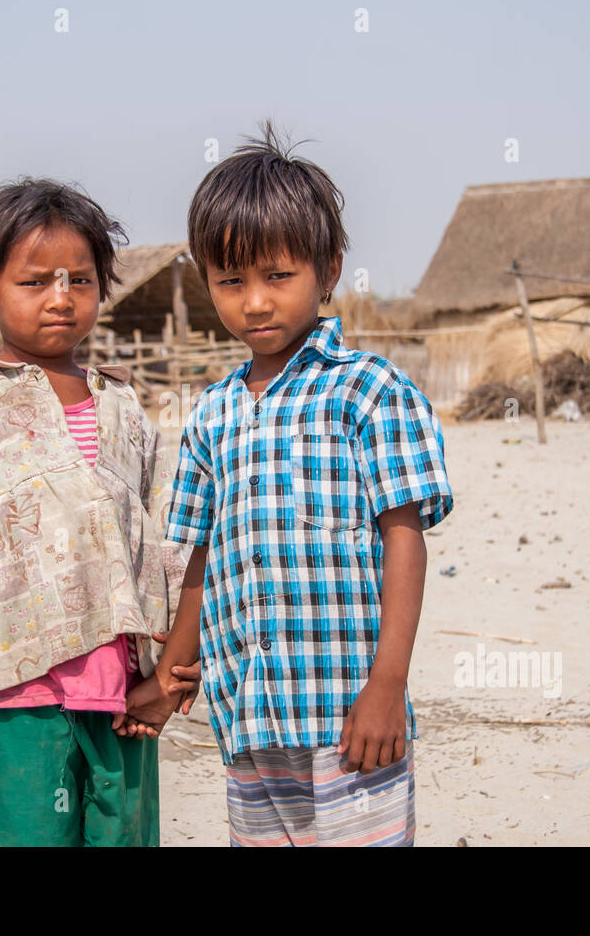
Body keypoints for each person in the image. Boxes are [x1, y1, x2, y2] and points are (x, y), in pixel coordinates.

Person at [119, 123, 454, 846]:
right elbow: (198, 566)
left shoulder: (368, 392)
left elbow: (405, 540)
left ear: (329, 269)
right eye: (230, 282)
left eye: (278, 276)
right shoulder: (212, 414)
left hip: (349, 714)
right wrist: (168, 678)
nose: (255, 302)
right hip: (248, 715)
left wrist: (388, 684)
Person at [0, 178, 194, 847]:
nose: (60, 298)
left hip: (120, 690)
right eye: (34, 282)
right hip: (10, 689)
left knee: (121, 835)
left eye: (79, 280)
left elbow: (162, 534)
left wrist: (173, 664)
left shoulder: (124, 407)